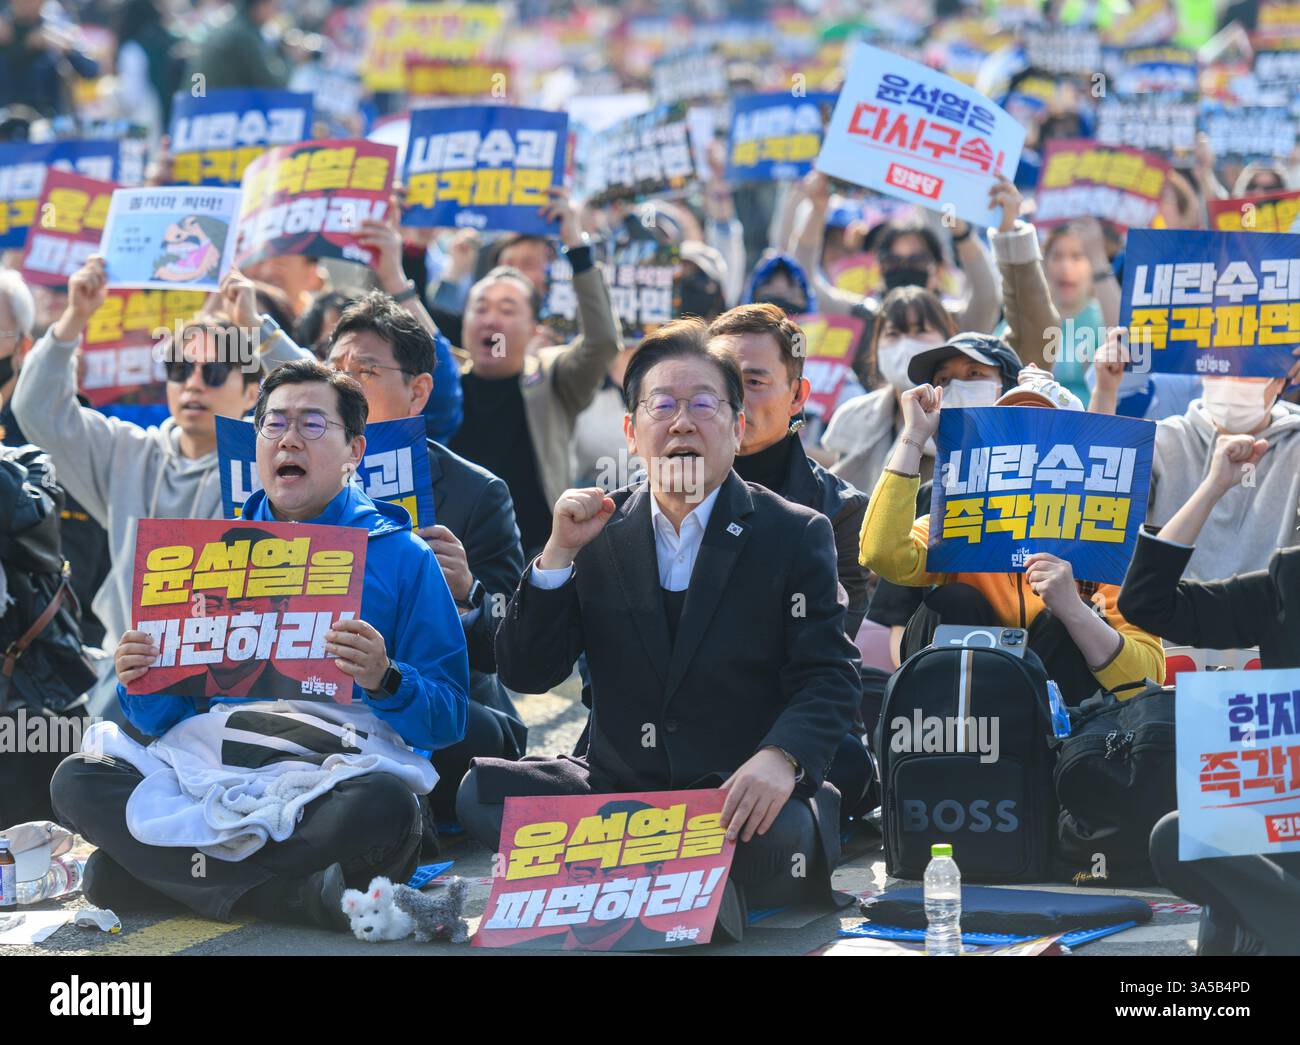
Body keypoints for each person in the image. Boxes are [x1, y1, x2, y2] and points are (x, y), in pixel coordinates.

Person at [456, 319, 863, 939]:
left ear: (737, 426)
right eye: (662, 406)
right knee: (479, 793)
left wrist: (780, 759)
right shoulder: (595, 528)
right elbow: (528, 672)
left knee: (783, 832)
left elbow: (830, 675)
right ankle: (685, 884)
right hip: (617, 792)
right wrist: (556, 557)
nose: (682, 424)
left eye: (704, 405)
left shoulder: (794, 531)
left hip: (732, 796)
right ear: (631, 430)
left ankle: (620, 877)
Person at [50, 359, 470, 929]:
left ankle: (172, 876)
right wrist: (141, 678)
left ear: (355, 450)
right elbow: (160, 721)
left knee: (387, 805)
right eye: (274, 423)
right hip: (213, 771)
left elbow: (448, 719)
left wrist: (386, 678)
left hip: (335, 777)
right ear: (256, 445)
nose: (288, 438)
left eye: (312, 424)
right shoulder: (206, 554)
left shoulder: (403, 555)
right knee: (77, 777)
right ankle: (291, 897)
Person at [10, 258, 308, 713]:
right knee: (81, 754)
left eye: (214, 372)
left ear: (254, 393)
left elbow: (324, 406)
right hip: (132, 677)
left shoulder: (274, 462)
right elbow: (34, 407)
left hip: (239, 686)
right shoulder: (128, 451)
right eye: (179, 370)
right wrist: (75, 317)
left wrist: (257, 329)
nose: (193, 384)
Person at [859, 356, 1165, 705]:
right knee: (952, 601)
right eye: (1011, 430)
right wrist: (914, 436)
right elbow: (881, 553)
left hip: (1062, 722)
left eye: (1044, 430)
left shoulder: (1112, 539)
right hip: (962, 718)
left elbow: (1146, 680)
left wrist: (1074, 610)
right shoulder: (964, 518)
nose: (1027, 446)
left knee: (1062, 622)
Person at [325, 291, 527, 821]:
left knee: (464, 745)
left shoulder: (475, 493)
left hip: (440, 705)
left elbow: (516, 650)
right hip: (320, 699)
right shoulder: (285, 488)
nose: (343, 383)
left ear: (418, 392)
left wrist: (469, 595)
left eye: (364, 370)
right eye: (334, 368)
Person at [1117, 434, 1300, 955]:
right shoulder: (1288, 582)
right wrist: (1215, 485)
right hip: (1286, 826)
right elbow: (1147, 603)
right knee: (1177, 837)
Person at [449, 191, 621, 559]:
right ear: (464, 322)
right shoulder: (442, 385)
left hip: (539, 556)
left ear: (533, 327)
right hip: (453, 558)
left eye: (507, 309)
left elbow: (602, 341)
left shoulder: (552, 378)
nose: (492, 319)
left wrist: (576, 247)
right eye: (481, 307)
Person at [1143, 374, 1300, 581]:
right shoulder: (1160, 441)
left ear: (1280, 380)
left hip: (1271, 601)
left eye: (1248, 371)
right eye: (1220, 367)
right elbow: (1110, 543)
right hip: (1169, 598)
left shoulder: (1295, 446)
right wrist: (1107, 391)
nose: (1231, 380)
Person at [0, 0, 100, 118]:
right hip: (5, 117)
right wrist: (27, 46)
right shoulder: (5, 29)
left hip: (48, 119)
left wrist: (66, 47)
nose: (30, 4)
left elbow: (91, 70)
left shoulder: (55, 26)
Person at [187, 0, 289, 91]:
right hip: (212, 103)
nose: (276, 12)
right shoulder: (243, 36)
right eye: (274, 6)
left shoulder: (235, 27)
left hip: (201, 101)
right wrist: (289, 57)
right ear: (260, 5)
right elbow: (272, 86)